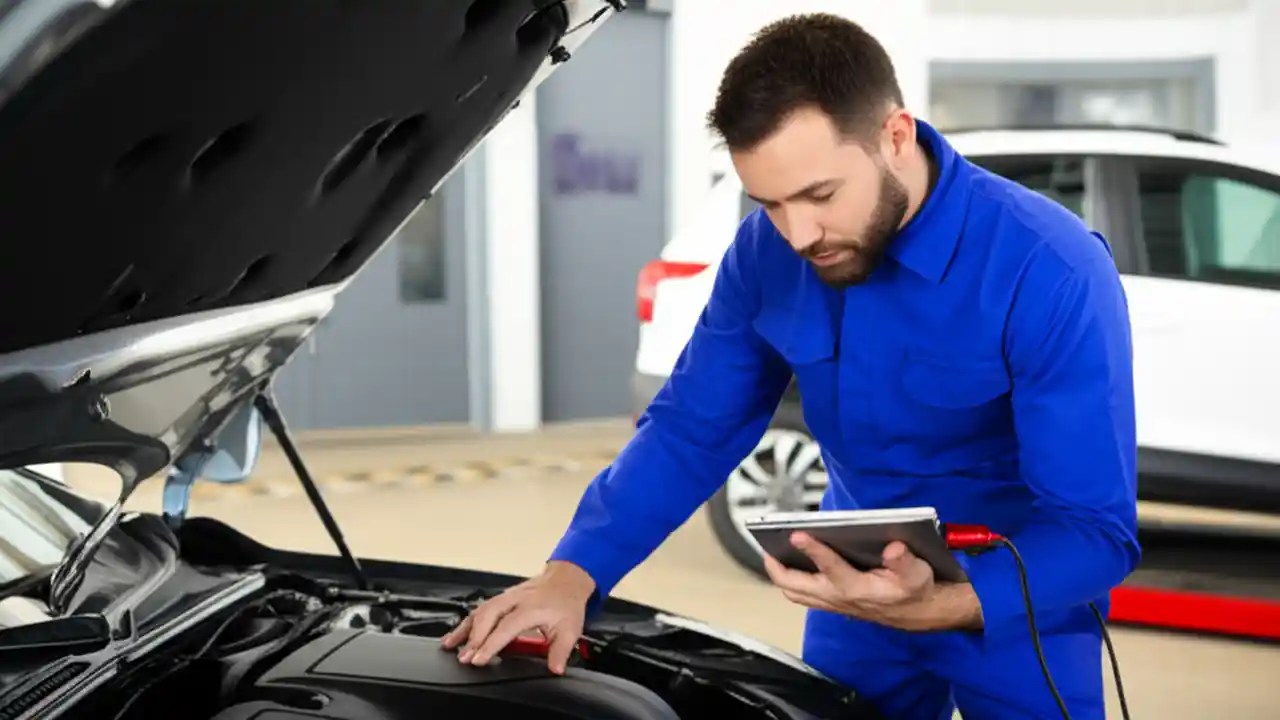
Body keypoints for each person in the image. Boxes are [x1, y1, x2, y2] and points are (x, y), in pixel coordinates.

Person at [443, 12, 1140, 719]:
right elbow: (691, 430)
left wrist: (947, 604)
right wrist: (574, 573)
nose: (799, 235)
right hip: (855, 592)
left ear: (896, 138)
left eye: (820, 195)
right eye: (770, 204)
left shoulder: (1049, 269)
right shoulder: (764, 253)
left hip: (1021, 601)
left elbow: (1094, 532)